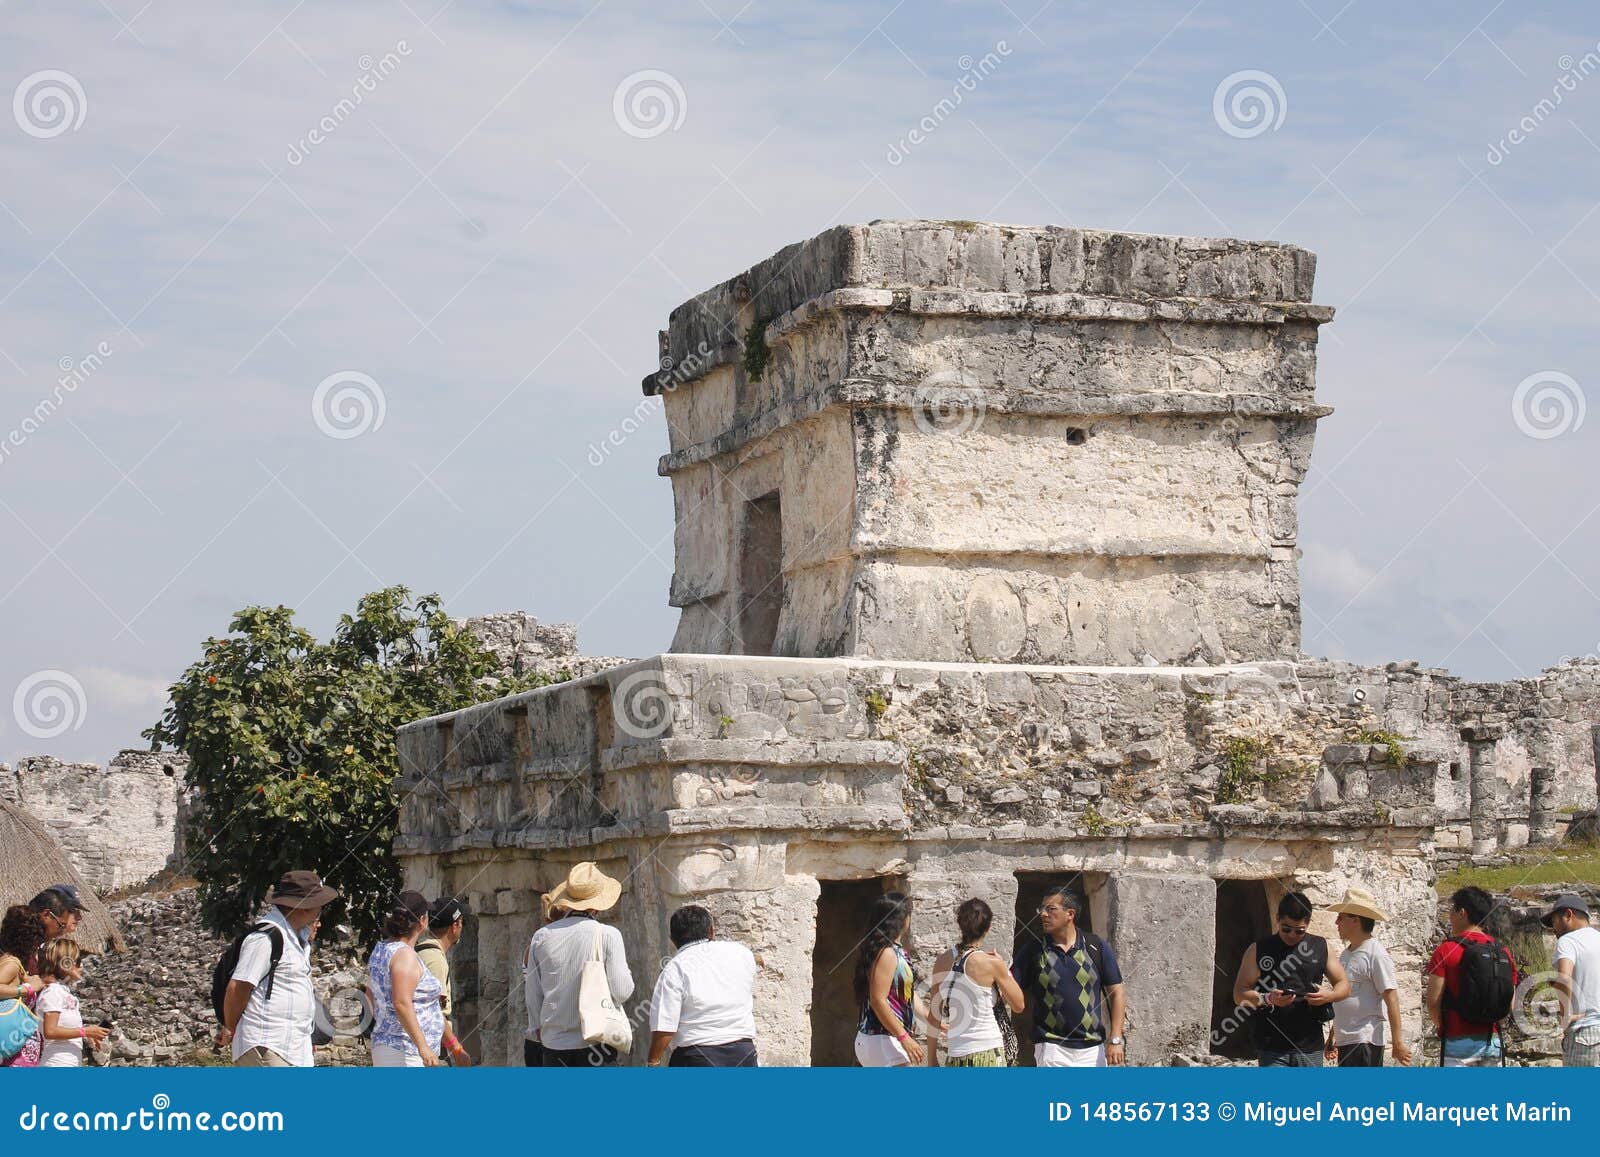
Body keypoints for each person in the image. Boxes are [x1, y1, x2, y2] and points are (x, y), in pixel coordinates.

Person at [219, 869, 339, 1067]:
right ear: (304, 907)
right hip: (267, 1044)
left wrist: (304, 1035)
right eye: (318, 905)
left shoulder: (290, 937)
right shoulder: (266, 938)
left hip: (288, 1047)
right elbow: (238, 987)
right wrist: (230, 1028)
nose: (320, 912)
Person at [525, 862, 634, 1067]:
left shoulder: (541, 937)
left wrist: (539, 1030)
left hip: (554, 1044)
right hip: (597, 1040)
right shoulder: (608, 935)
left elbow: (533, 994)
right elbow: (622, 992)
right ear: (596, 904)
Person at [1012, 885, 1126, 1067]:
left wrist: (1115, 1039)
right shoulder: (1034, 950)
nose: (1043, 914)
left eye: (1050, 909)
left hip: (1093, 1049)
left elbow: (1117, 993)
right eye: (1041, 909)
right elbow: (1011, 985)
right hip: (1051, 1048)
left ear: (1070, 914)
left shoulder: (1095, 947)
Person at [1232, 891, 1349, 1067]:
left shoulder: (1321, 946)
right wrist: (1267, 998)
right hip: (1272, 1048)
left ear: (1308, 924)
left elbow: (1344, 985)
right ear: (1277, 918)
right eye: (1286, 929)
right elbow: (1239, 994)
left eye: (1299, 931)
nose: (1292, 935)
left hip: (1310, 1046)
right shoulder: (1258, 949)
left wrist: (1329, 996)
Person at [647, 905, 759, 1067]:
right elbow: (752, 959)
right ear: (712, 931)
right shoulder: (741, 953)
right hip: (743, 1053)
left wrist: (652, 1062)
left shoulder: (674, 968)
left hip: (697, 1058)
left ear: (672, 939)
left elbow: (665, 1026)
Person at [1425, 884, 1518, 1066]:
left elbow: (1432, 1002)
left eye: (1452, 911)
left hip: (1457, 1039)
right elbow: (1509, 1002)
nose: (1450, 917)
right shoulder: (1503, 952)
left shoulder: (1446, 950)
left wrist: (1442, 1026)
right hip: (1492, 1040)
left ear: (1462, 913)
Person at [928, 898, 1025, 1067]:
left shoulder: (941, 961)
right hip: (988, 1050)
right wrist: (1004, 968)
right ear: (988, 928)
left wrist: (931, 1059)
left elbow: (934, 1014)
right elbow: (1018, 1005)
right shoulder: (991, 963)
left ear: (960, 924)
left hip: (956, 1054)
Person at [1324, 886, 1410, 1066]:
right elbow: (1346, 997)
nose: (1336, 923)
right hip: (1347, 1040)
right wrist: (1333, 1035)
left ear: (1355, 920)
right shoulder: (1347, 954)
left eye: (1341, 917)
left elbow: (1391, 998)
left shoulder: (1375, 954)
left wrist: (1398, 1043)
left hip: (1364, 1039)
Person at [368, 891, 445, 1067]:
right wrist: (423, 1047)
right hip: (407, 1052)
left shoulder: (381, 949)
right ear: (422, 921)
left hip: (388, 1046)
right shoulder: (405, 956)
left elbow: (370, 995)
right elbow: (401, 1002)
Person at [853, 892, 926, 1067]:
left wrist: (931, 1019)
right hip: (884, 1041)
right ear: (904, 920)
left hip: (885, 1041)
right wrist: (904, 1038)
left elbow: (906, 993)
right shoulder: (887, 953)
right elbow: (878, 1000)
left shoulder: (896, 952)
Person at [1543, 893, 1599, 1067]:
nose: (1554, 929)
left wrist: (1565, 1015)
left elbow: (1564, 978)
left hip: (1585, 1033)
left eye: (1554, 922)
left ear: (1568, 915)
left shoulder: (1568, 941)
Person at [34, 939, 108, 1067]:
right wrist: (85, 1031)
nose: (81, 966)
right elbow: (50, 1031)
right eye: (78, 962)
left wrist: (87, 1034)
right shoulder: (53, 992)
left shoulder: (63, 992)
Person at [415, 897, 471, 1066]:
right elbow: (435, 1011)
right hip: (431, 1044)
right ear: (455, 925)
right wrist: (457, 1050)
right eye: (462, 922)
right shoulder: (435, 959)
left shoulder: (422, 948)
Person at [0, 905, 47, 1068]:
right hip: (14, 1055)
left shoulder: (14, 964)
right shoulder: (11, 963)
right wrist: (27, 989)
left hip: (17, 1049)